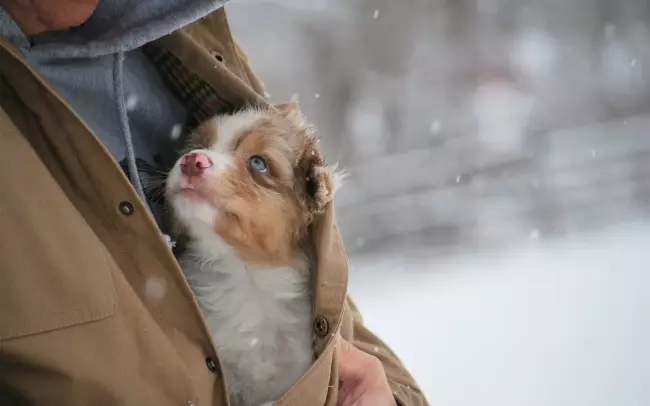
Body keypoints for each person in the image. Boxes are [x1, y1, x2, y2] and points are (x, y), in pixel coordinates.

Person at [0, 1, 428, 405]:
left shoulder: (191, 36)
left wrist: (391, 395)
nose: (195, 160)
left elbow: (343, 328)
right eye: (201, 147)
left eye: (255, 162)